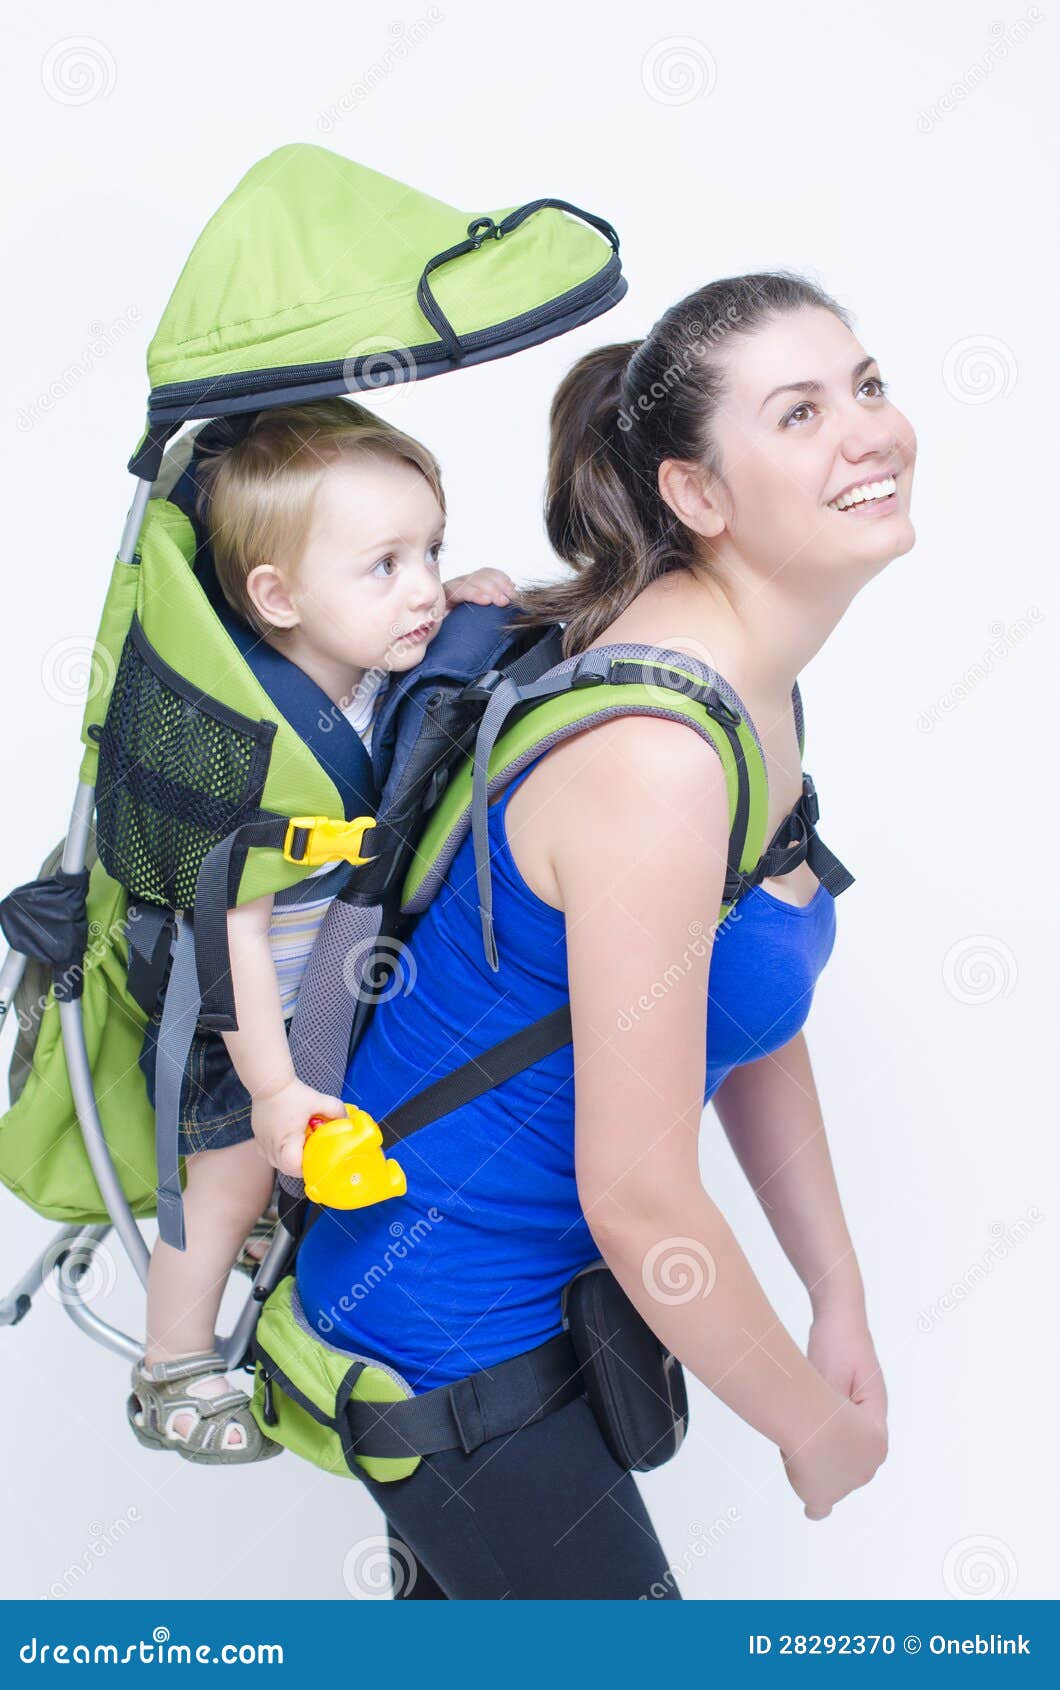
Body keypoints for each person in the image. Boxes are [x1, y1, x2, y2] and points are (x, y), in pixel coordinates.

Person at [295, 272, 916, 1598]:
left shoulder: (753, 685)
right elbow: (636, 1193)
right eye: (799, 413)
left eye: (865, 385)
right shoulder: (657, 759)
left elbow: (742, 1008)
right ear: (698, 496)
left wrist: (836, 1286)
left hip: (525, 1288)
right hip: (444, 1314)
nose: (869, 430)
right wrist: (810, 1426)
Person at [127, 399, 515, 1462]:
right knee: (224, 1182)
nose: (425, 586)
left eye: (429, 548)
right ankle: (170, 1364)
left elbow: (411, 654)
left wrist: (459, 592)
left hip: (329, 990)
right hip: (234, 1019)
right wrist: (269, 1087)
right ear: (276, 597)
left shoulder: (365, 669)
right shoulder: (244, 732)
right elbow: (232, 932)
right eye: (384, 564)